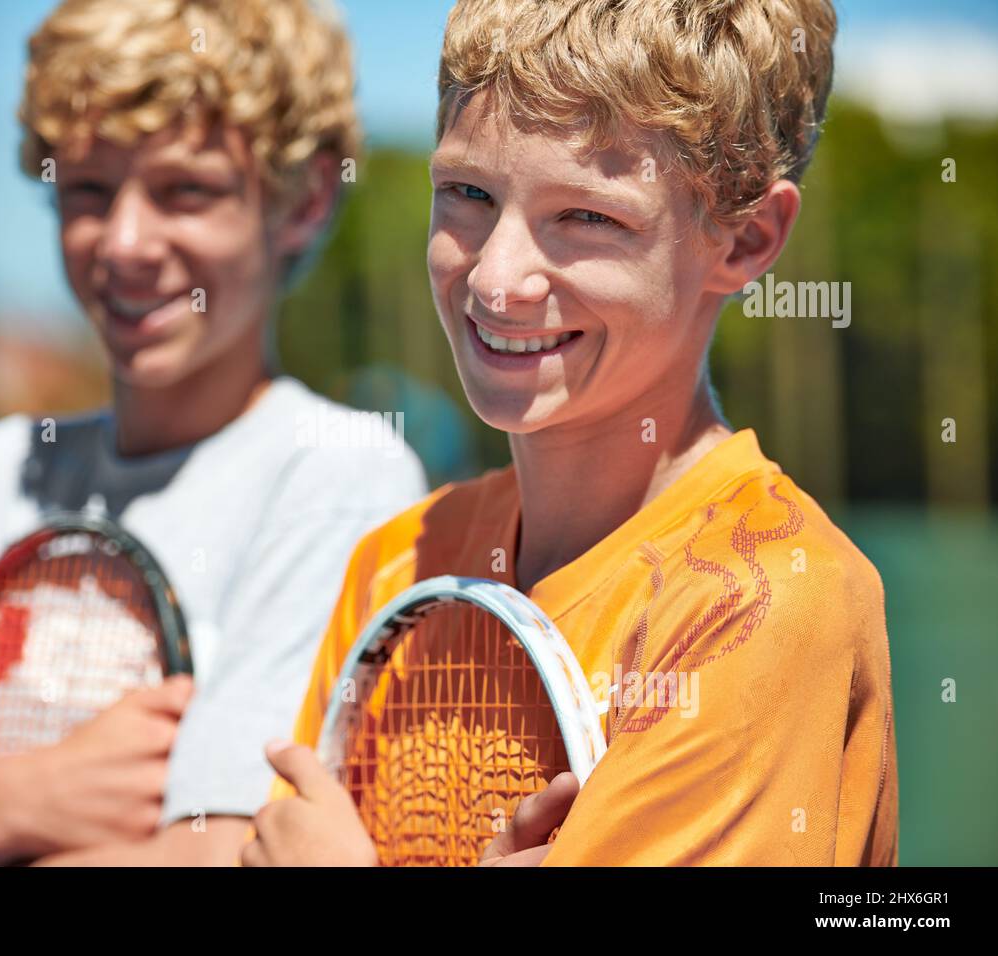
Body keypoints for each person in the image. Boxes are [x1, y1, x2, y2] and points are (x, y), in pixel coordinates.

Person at [0, 0, 426, 867]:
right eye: (88, 193)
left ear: (306, 200)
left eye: (188, 190)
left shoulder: (341, 478)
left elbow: (222, 857)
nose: (128, 243)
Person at [243, 0, 898, 867]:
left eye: (589, 217)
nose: (497, 278)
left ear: (746, 239)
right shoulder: (394, 562)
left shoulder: (762, 600)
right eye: (468, 195)